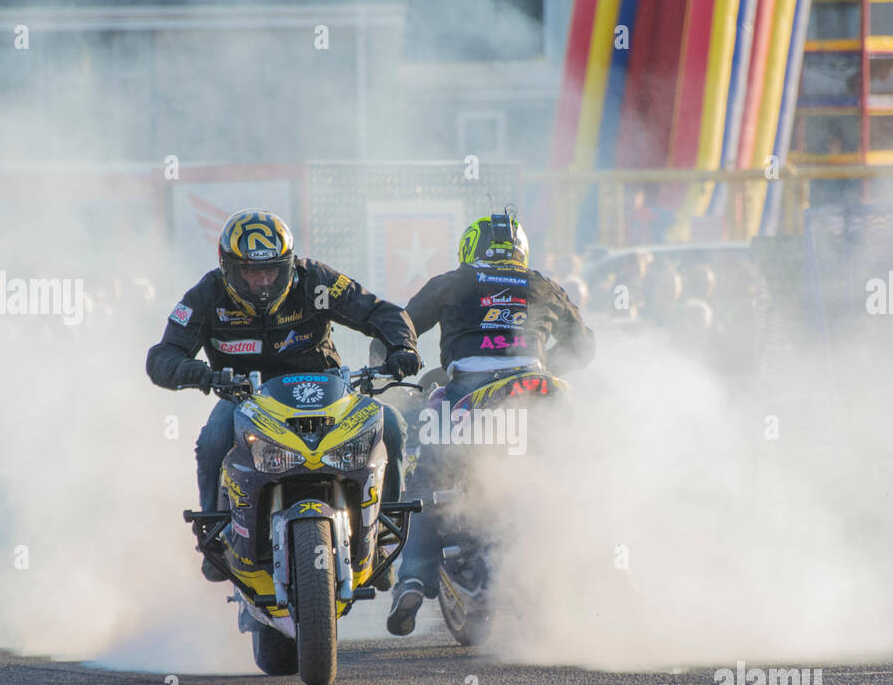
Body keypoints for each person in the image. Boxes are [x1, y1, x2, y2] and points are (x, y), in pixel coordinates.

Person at [146, 209, 421, 581]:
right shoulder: (206, 295)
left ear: (289, 264)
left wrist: (402, 348)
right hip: (245, 400)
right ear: (227, 267)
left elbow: (379, 310)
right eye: (250, 271)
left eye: (272, 270)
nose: (262, 281)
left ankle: (383, 536)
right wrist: (198, 373)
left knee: (392, 423)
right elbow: (161, 357)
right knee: (213, 437)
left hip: (324, 390)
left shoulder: (316, 280)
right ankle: (214, 537)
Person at [385, 212, 595, 635]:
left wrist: (389, 367)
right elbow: (584, 347)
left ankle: (413, 577)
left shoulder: (454, 281)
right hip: (542, 390)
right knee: (578, 474)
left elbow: (399, 328)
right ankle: (595, 555)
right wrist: (545, 368)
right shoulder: (542, 284)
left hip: (470, 387)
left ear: (471, 249)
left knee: (427, 474)